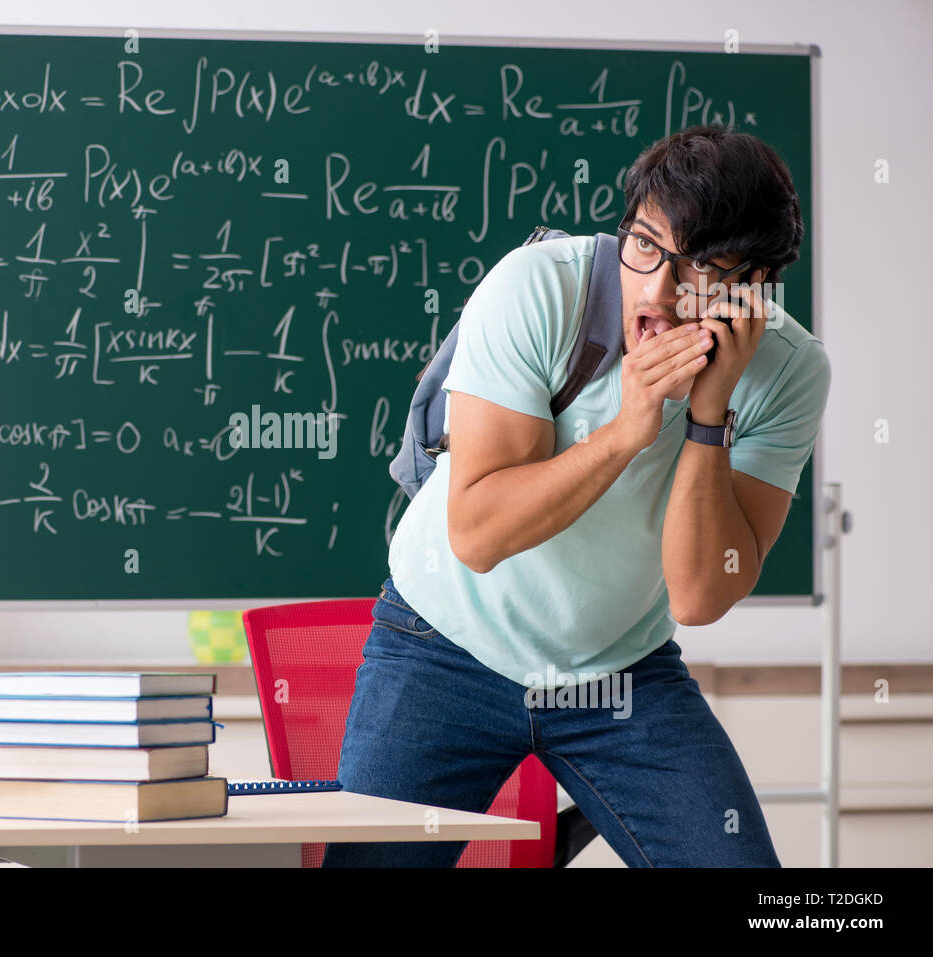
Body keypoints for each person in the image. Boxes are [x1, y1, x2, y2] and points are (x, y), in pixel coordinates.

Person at [323, 125, 830, 867]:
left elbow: (696, 595)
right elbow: (478, 532)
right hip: (443, 650)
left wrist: (708, 415)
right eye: (646, 244)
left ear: (752, 285)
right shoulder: (537, 288)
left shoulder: (791, 373)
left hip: (618, 668)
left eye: (698, 268)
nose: (656, 290)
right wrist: (629, 427)